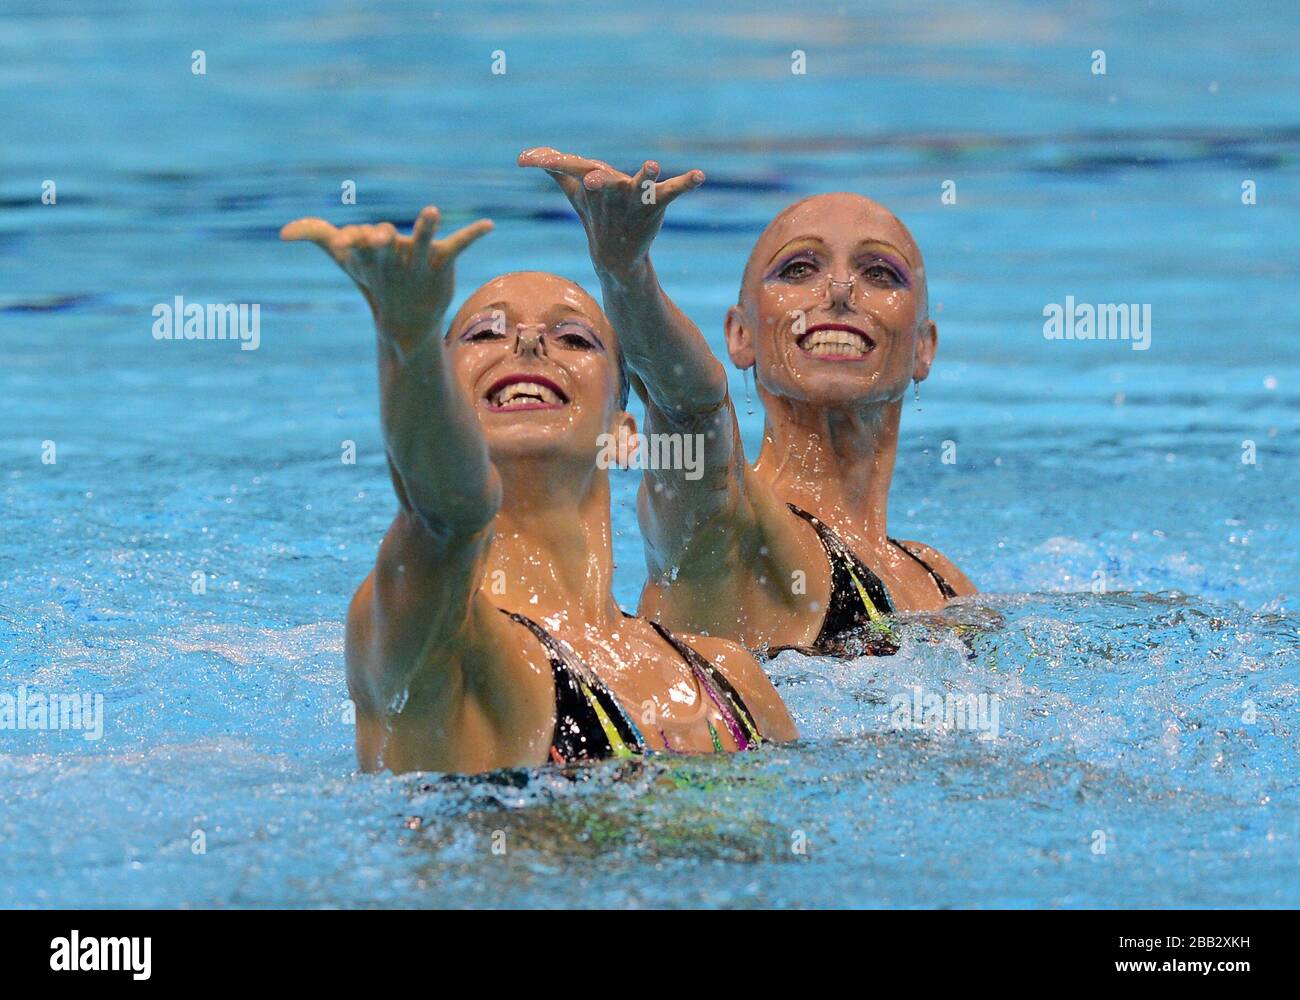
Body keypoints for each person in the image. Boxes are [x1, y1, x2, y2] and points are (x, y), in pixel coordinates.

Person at [280, 206, 796, 774]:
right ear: (444, 405)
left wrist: (627, 271)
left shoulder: (729, 677)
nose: (527, 345)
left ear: (625, 436)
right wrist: (409, 340)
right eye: (484, 334)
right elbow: (445, 516)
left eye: (574, 338)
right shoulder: (431, 632)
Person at [520, 149, 976, 657]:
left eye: (881, 273)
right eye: (800, 268)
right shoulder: (726, 525)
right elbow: (687, 408)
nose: (841, 290)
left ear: (924, 347)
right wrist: (626, 271)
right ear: (740, 336)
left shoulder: (942, 583)